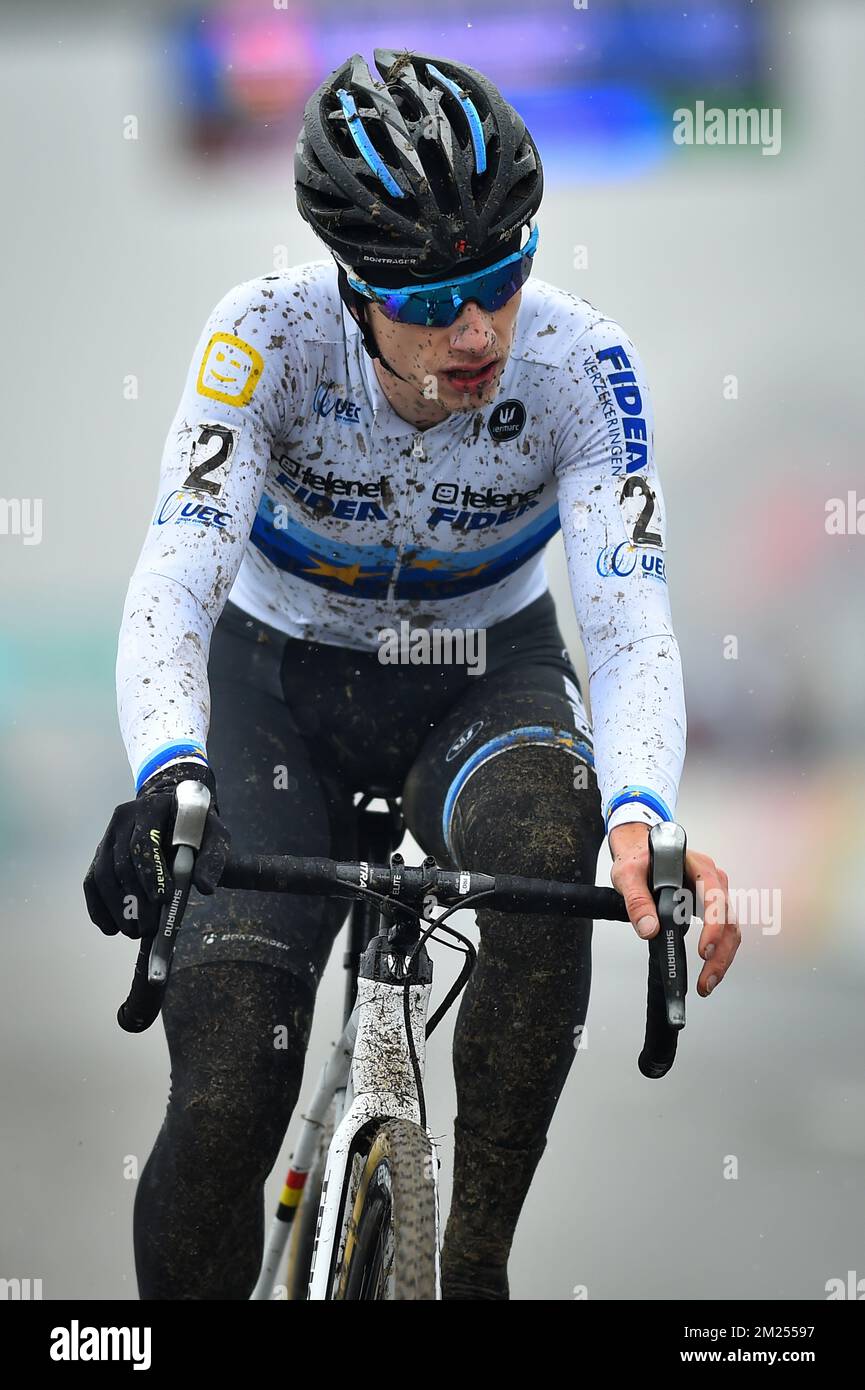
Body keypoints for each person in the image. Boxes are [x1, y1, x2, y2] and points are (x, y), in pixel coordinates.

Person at [84, 49, 740, 1300]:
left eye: (503, 277)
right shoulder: (262, 339)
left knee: (555, 838)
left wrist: (645, 811)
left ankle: (474, 1268)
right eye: (434, 302)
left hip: (481, 678)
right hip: (273, 693)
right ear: (350, 288)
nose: (479, 329)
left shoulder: (578, 364)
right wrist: (171, 769)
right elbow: (176, 580)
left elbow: (629, 620)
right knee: (226, 1092)